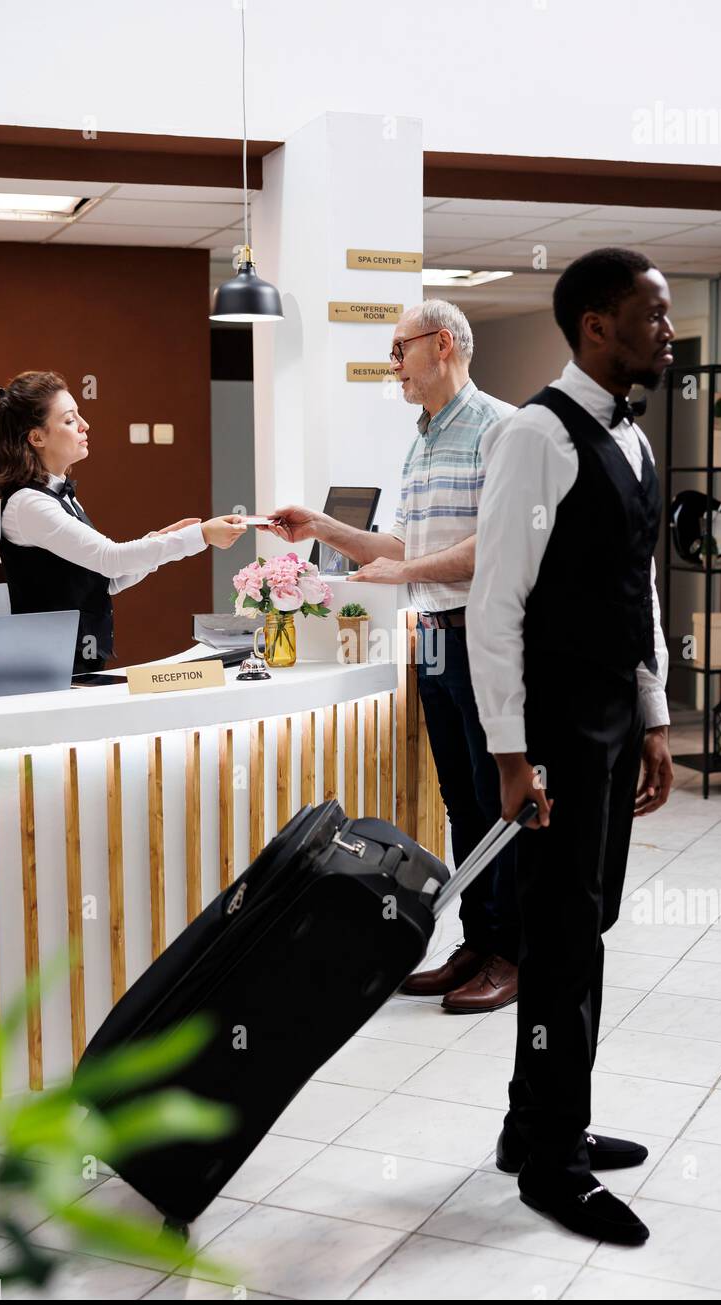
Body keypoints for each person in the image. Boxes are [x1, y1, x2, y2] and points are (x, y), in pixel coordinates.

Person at [466, 248, 674, 1245]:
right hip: (547, 730)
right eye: (651, 313)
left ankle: (537, 1123)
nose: (665, 330)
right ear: (595, 325)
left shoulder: (629, 443)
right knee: (555, 940)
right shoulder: (532, 438)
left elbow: (636, 588)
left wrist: (654, 715)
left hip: (608, 720)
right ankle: (550, 1159)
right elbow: (492, 604)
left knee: (585, 927)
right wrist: (509, 755)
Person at [264, 300, 520, 1012]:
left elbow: (497, 544)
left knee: (501, 802)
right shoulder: (422, 440)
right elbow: (404, 548)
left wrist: (404, 576)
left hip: (489, 637)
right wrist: (321, 527)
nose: (392, 365)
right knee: (463, 803)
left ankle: (514, 953)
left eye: (398, 349)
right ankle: (477, 939)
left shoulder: (500, 429)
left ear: (441, 345)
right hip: (436, 635)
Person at [0, 371, 247, 673]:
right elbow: (111, 560)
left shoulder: (60, 495)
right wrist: (200, 535)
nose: (85, 425)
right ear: (37, 437)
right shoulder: (29, 503)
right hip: (45, 669)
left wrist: (163, 542)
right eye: (70, 420)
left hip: (77, 661)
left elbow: (107, 580)